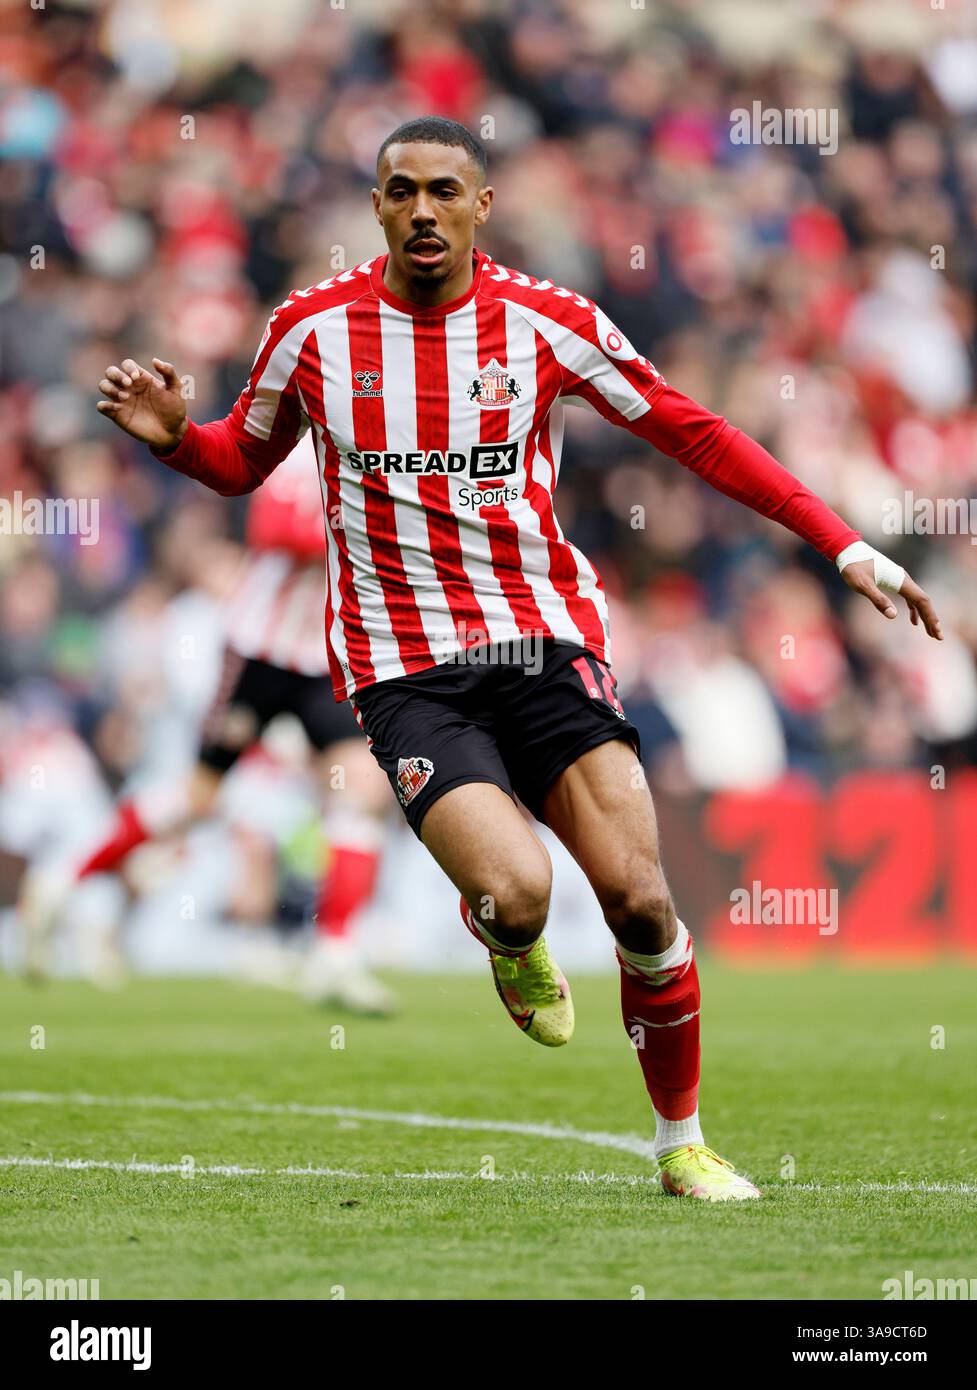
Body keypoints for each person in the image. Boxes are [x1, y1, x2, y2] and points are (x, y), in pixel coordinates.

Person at [95, 116, 942, 1201]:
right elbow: (237, 463)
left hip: (543, 643)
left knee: (639, 899)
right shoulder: (311, 332)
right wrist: (174, 436)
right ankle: (504, 933)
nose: (422, 210)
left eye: (444, 189)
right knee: (521, 894)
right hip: (405, 666)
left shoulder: (546, 322)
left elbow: (694, 430)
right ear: (376, 207)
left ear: (481, 204)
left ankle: (679, 1141)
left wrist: (842, 543)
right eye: (399, 190)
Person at [20, 436, 396, 1013]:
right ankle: (62, 881)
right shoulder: (306, 450)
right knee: (198, 800)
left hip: (325, 659)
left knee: (362, 791)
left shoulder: (402, 445)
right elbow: (274, 530)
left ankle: (335, 955)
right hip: (260, 652)